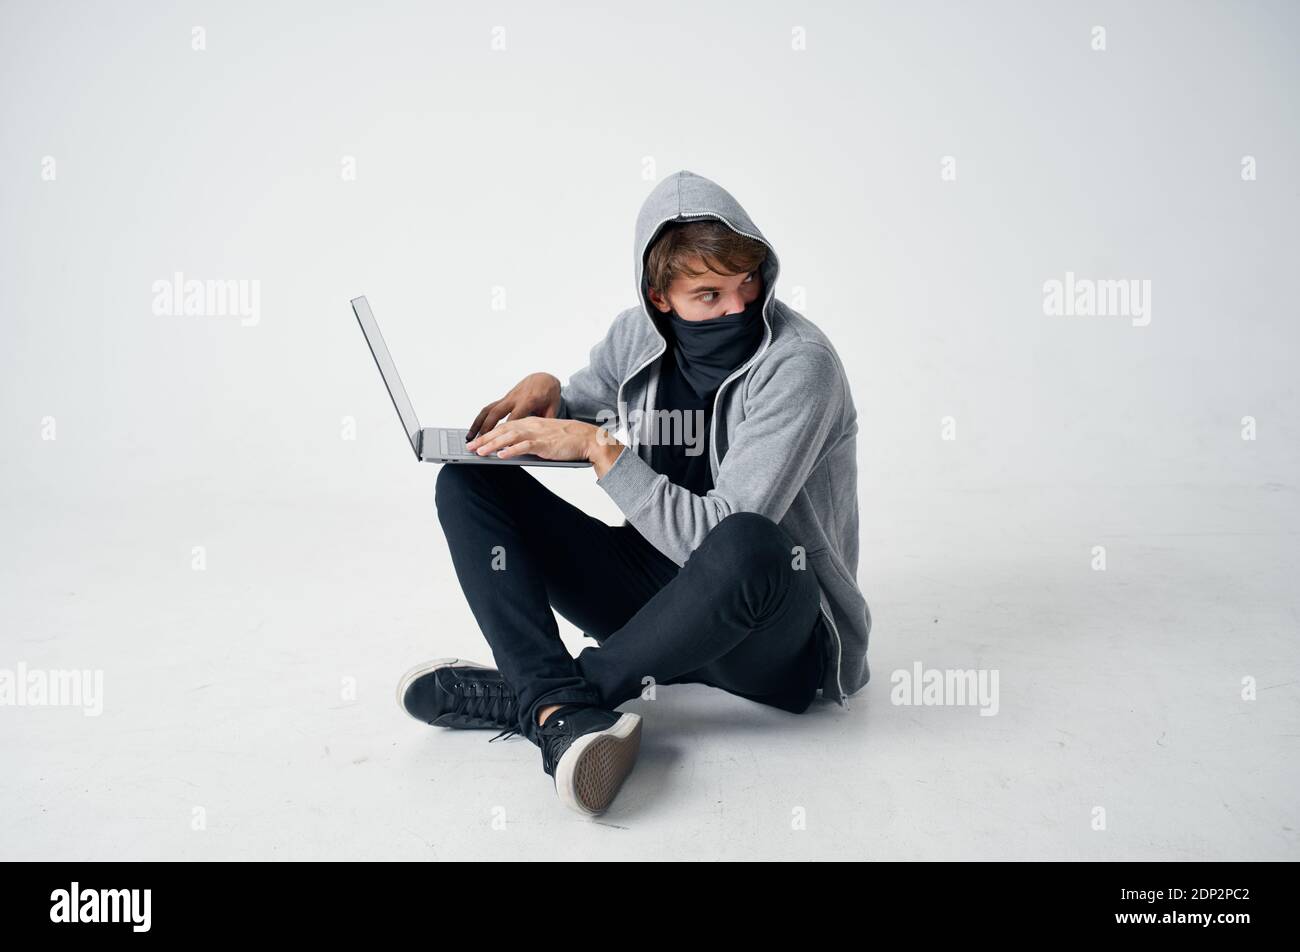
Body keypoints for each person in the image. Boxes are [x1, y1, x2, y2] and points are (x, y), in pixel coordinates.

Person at [396, 170, 872, 816]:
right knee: (467, 481)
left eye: (747, 283)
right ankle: (560, 704)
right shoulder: (637, 338)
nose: (737, 307)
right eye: (708, 294)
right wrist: (554, 395)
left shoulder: (799, 365)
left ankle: (545, 699)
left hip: (770, 634)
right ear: (661, 298)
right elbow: (587, 411)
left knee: (750, 544)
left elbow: (717, 532)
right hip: (656, 611)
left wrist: (601, 452)